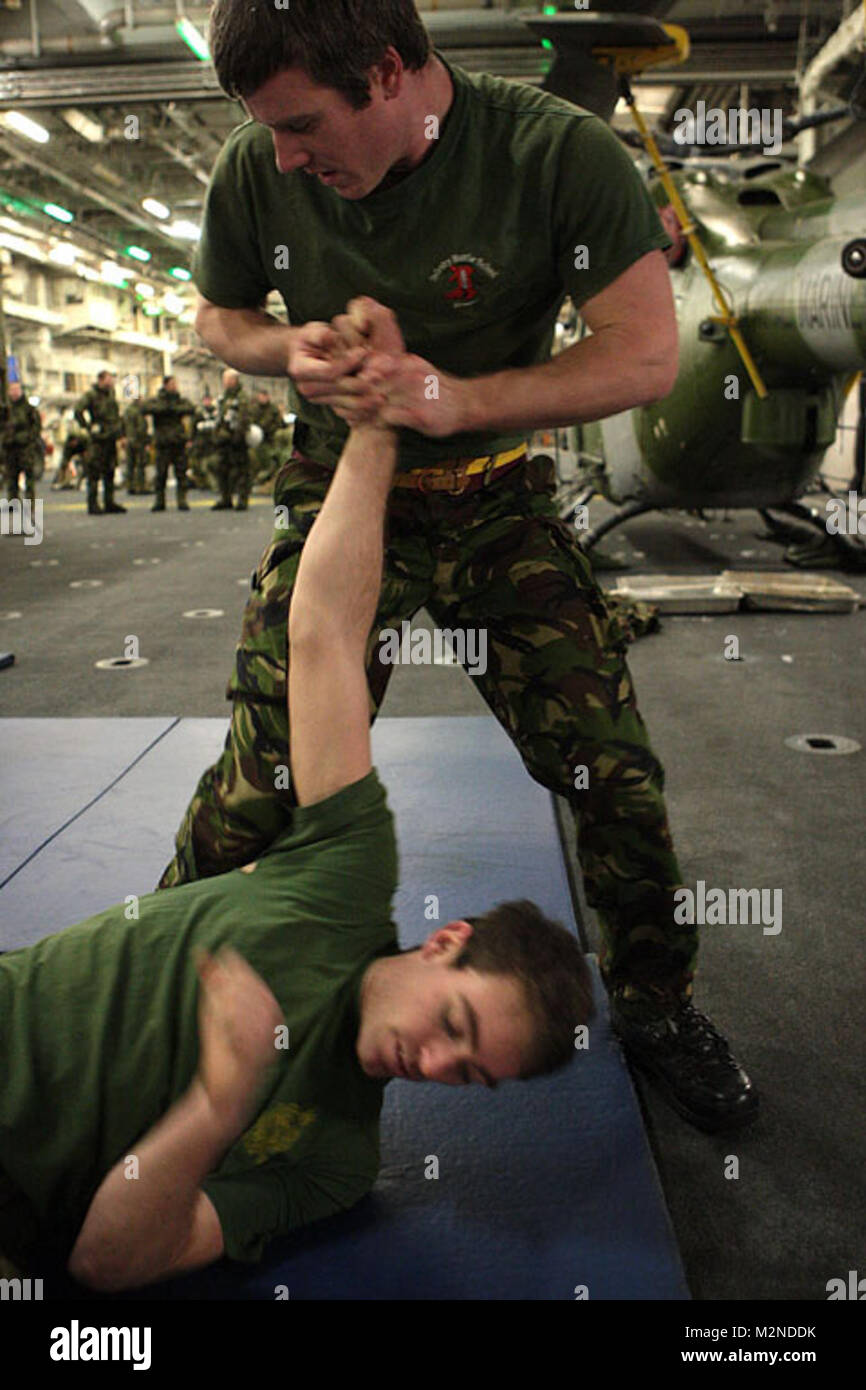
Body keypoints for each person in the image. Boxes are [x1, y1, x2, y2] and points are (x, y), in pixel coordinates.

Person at [159, 0, 756, 1133]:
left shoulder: (550, 154)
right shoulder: (257, 166)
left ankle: (655, 1002)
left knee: (611, 777)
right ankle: (151, 978)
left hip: (495, 507)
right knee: (257, 787)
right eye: (267, 132)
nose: (280, 156)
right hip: (347, 499)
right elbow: (218, 316)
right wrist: (294, 348)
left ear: (386, 72)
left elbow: (643, 353)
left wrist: (458, 399)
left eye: (300, 126)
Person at [0, 301, 592, 1290]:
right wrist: (372, 429)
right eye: (455, 1028)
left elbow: (108, 1260)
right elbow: (322, 634)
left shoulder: (332, 1164)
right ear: (444, 942)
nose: (437, 1070)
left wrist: (220, 1102)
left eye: (470, 1076)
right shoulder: (346, 878)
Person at [141, 376, 197, 512]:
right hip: (163, 442)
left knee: (181, 473)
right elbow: (145, 408)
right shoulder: (157, 400)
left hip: (178, 441)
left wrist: (173, 408)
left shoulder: (179, 400)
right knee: (161, 474)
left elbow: (190, 408)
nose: (175, 386)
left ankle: (182, 500)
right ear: (165, 385)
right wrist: (166, 408)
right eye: (172, 384)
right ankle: (159, 501)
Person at [74, 370, 125, 515]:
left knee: (110, 471)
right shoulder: (91, 395)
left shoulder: (111, 394)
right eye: (109, 379)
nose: (112, 382)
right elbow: (78, 410)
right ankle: (93, 504)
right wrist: (88, 427)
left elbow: (116, 417)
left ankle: (109, 502)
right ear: (101, 380)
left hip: (110, 438)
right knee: (94, 472)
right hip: (98, 440)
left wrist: (121, 435)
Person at [212, 369, 252, 510]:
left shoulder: (242, 397)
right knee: (222, 469)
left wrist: (239, 435)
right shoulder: (223, 398)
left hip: (237, 439)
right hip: (223, 440)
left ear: (234, 380)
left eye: (227, 379)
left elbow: (244, 417)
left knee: (241, 470)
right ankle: (225, 498)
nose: (225, 382)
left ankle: (242, 499)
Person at [1, 381, 42, 504]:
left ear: (21, 391)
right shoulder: (5, 410)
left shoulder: (28, 409)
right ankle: (13, 503)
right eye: (12, 390)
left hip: (25, 448)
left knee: (29, 477)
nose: (14, 392)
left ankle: (30, 503)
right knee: (11, 478)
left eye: (16, 390)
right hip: (10, 448)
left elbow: (36, 426)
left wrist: (30, 439)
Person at [249, 388, 285, 485]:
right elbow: (251, 423)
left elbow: (279, 423)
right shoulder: (254, 409)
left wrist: (270, 428)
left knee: (272, 460)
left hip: (271, 438)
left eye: (265, 396)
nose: (263, 398)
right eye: (261, 396)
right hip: (257, 439)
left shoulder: (273, 409)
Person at [189, 390, 219, 489]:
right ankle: (202, 482)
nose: (207, 402)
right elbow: (193, 426)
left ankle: (213, 483)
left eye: (208, 400)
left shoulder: (216, 412)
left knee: (212, 463)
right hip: (201, 441)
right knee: (199, 463)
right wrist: (191, 439)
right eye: (205, 400)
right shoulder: (199, 413)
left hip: (213, 440)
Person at [122, 398, 151, 495]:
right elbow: (142, 428)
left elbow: (122, 425)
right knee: (140, 464)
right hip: (138, 441)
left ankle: (130, 486)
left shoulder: (127, 411)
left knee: (130, 464)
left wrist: (123, 437)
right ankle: (141, 487)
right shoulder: (139, 412)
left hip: (128, 440)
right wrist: (147, 441)